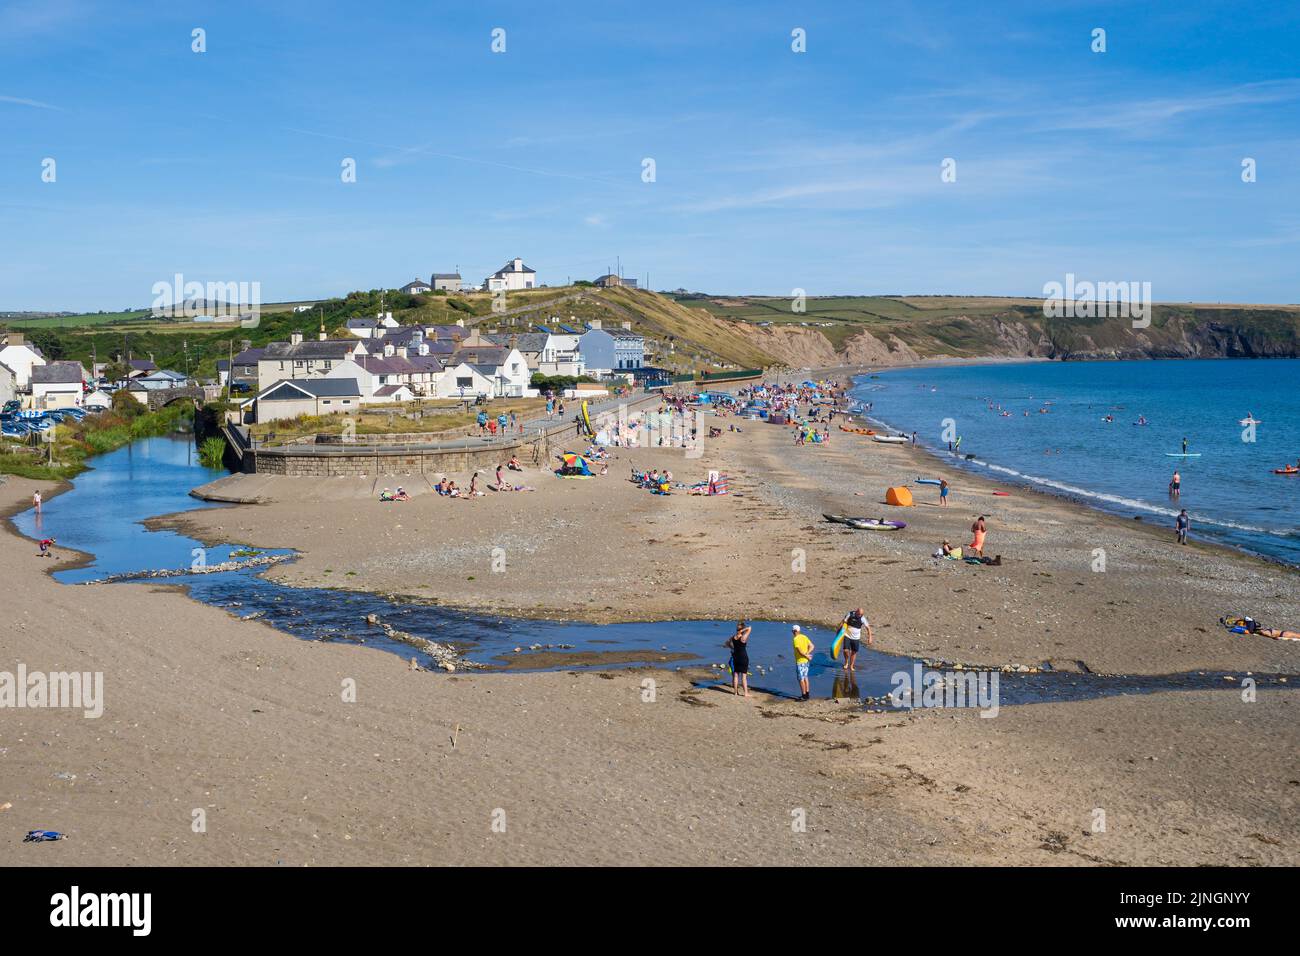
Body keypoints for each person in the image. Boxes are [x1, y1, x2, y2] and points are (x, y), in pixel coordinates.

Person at [841, 607, 872, 672]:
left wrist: (870, 637)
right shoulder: (850, 614)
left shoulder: (863, 618)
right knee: (845, 650)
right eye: (859, 614)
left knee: (854, 652)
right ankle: (846, 662)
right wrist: (840, 631)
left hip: (856, 638)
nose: (860, 615)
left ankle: (851, 665)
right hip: (847, 635)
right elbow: (844, 621)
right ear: (856, 612)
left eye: (861, 614)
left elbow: (868, 628)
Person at [726, 620, 752, 697]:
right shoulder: (743, 637)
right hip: (743, 658)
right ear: (742, 629)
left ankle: (735, 692)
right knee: (744, 677)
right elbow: (750, 628)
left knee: (736, 675)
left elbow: (727, 643)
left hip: (735, 657)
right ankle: (746, 693)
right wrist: (742, 631)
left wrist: (732, 648)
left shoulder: (734, 637)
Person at [791, 624, 815, 701]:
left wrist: (806, 656)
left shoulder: (795, 639)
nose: (792, 632)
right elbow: (812, 646)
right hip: (806, 661)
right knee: (805, 677)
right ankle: (807, 694)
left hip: (800, 661)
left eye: (792, 631)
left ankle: (803, 695)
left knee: (801, 679)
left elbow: (799, 651)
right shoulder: (804, 637)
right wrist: (808, 654)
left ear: (794, 631)